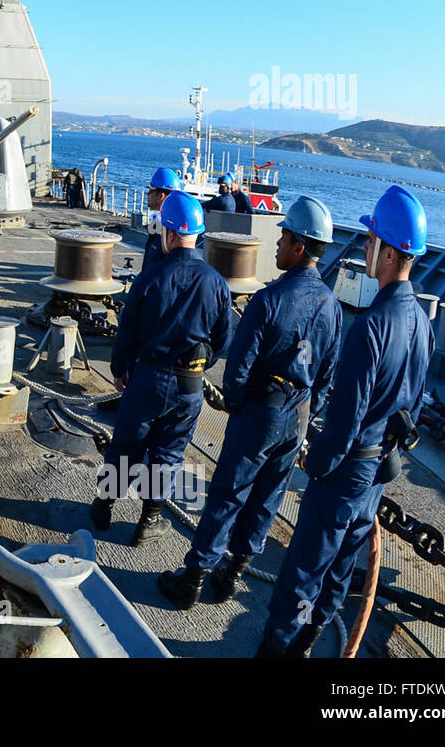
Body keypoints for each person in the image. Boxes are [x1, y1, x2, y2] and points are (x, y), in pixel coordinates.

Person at [256, 185, 434, 657]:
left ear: (391, 252)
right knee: (339, 571)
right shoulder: (423, 324)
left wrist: (318, 465)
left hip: (346, 471)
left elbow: (345, 418)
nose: (365, 246)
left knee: (305, 568)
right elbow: (413, 408)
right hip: (378, 475)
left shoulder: (371, 327)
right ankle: (310, 641)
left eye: (372, 240)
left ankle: (277, 650)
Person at [157, 196, 342, 609]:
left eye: (283, 238)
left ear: (298, 246)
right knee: (267, 499)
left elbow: (237, 370)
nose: (276, 245)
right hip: (298, 414)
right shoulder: (331, 306)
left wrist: (238, 405)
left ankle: (192, 580)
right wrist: (306, 412)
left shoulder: (269, 300)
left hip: (261, 411)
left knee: (229, 493)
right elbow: (327, 373)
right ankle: (232, 575)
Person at [91, 191, 231, 546]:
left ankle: (103, 507)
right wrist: (200, 366)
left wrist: (120, 368)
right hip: (189, 385)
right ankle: (147, 522)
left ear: (169, 234)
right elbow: (221, 339)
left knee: (126, 447)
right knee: (168, 454)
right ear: (196, 234)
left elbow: (127, 332)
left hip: (147, 380)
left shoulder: (150, 278)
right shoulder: (216, 283)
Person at [142, 167, 182, 272]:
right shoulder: (165, 224)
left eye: (151, 190)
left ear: (161, 195)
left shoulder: (168, 230)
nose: (148, 194)